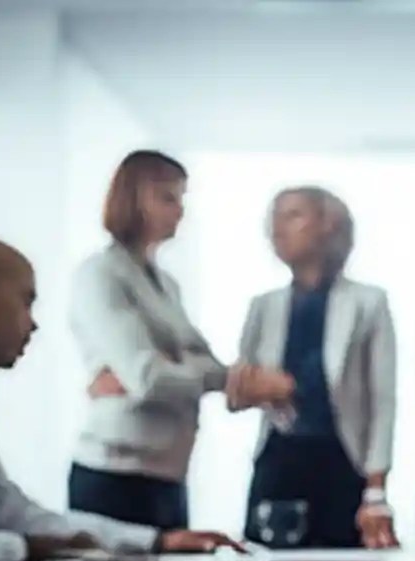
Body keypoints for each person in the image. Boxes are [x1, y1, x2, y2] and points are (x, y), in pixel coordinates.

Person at [0, 232, 243, 561]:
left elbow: (16, 514)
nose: (33, 325)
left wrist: (156, 541)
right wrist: (24, 548)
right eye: (26, 301)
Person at [67, 150, 294, 530]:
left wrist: (178, 369)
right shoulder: (100, 274)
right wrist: (225, 380)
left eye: (181, 199)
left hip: (168, 473)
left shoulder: (166, 283)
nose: (179, 212)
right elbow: (149, 378)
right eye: (167, 198)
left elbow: (175, 366)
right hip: (115, 471)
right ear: (133, 198)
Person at [228, 186, 397, 549]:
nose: (277, 228)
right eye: (274, 218)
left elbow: (382, 402)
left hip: (342, 463)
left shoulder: (368, 302)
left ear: (328, 224)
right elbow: (236, 392)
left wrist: (376, 492)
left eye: (292, 215)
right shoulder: (263, 306)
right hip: (278, 460)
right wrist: (263, 388)